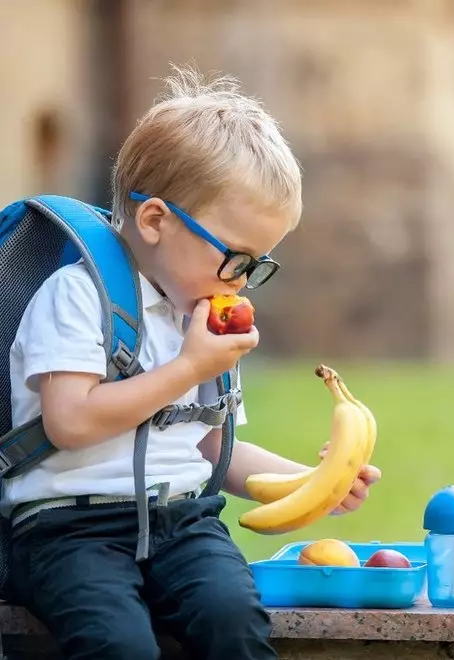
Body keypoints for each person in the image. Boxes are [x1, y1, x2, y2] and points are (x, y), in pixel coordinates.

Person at [5, 65, 381, 660]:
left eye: (257, 263)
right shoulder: (78, 297)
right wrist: (187, 368)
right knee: (118, 645)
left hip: (184, 522)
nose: (241, 280)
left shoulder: (199, 316)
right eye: (235, 257)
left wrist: (314, 483)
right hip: (68, 530)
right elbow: (69, 422)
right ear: (155, 221)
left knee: (234, 621)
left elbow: (209, 447)